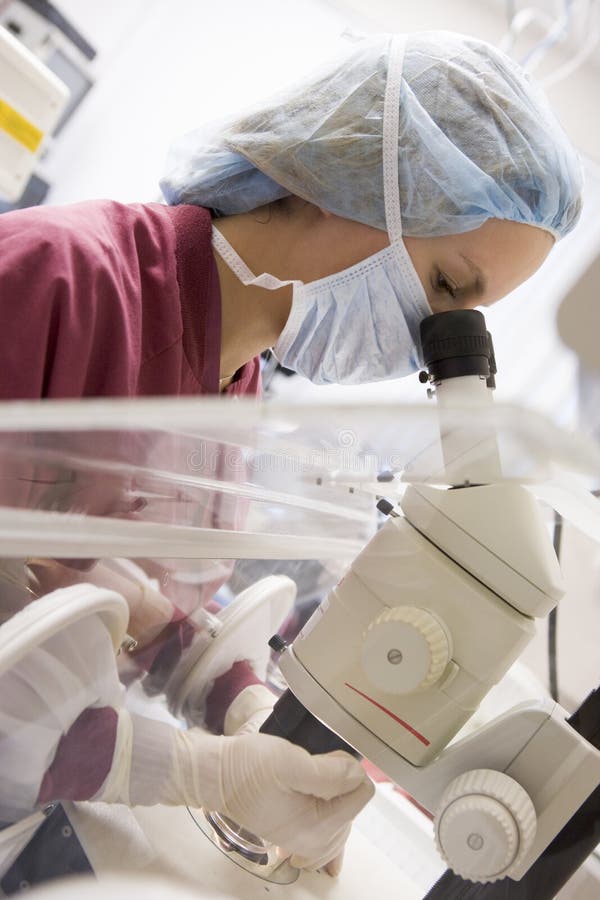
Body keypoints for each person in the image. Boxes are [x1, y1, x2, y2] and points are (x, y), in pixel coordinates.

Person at [0, 28, 583, 883]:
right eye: (448, 290)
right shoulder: (56, 279)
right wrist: (184, 769)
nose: (437, 344)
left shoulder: (232, 378)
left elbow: (114, 588)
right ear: (346, 181)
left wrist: (232, 691)